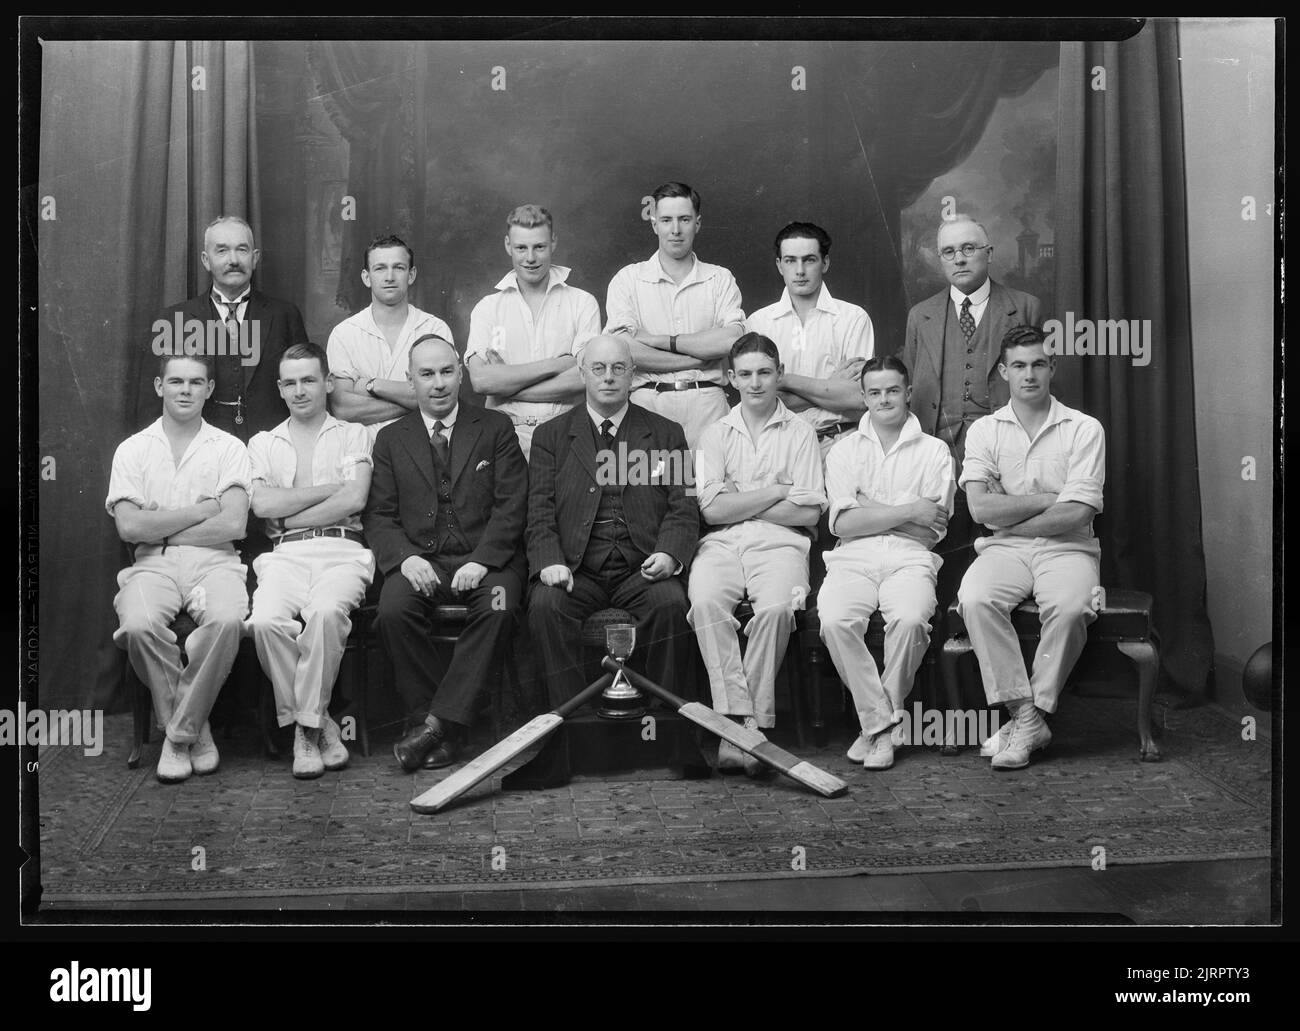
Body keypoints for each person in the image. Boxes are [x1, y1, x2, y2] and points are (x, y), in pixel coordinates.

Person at [522, 334, 699, 786]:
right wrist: (550, 561)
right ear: (582, 373)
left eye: (618, 369)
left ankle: (663, 734)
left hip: (642, 564)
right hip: (576, 568)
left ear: (633, 375)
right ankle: (569, 734)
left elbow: (682, 507)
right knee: (545, 605)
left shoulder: (664, 434)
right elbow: (538, 509)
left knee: (670, 604)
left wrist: (668, 554)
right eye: (598, 368)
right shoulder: (551, 437)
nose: (608, 377)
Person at [364, 335, 527, 771]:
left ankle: (434, 728)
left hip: (487, 563)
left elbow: (513, 505)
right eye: (427, 374)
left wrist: (483, 559)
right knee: (393, 611)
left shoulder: (495, 428)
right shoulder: (390, 439)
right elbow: (379, 515)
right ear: (410, 380)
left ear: (460, 372)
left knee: (499, 605)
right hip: (422, 562)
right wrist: (404, 559)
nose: (438, 384)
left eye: (447, 372)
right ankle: (438, 723)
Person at [958, 325, 1105, 770]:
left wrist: (1009, 513)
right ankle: (1026, 715)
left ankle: (1029, 717)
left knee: (1071, 606)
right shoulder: (984, 429)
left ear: (1051, 368)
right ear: (1004, 371)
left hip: (1068, 548)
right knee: (976, 598)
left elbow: (1077, 514)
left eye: (1038, 364)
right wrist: (1047, 499)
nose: (1029, 374)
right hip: (1004, 551)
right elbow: (980, 507)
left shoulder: (1084, 428)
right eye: (1018, 365)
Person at [687, 333, 826, 775]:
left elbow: (807, 509)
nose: (756, 383)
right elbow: (711, 511)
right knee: (707, 604)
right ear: (730, 379)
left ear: (779, 374)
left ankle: (738, 729)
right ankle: (745, 726)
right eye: (745, 374)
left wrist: (741, 496)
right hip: (722, 543)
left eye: (764, 372)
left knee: (776, 609)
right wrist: (777, 489)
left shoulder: (801, 432)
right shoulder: (715, 434)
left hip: (782, 542)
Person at [108, 353, 251, 783]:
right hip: (153, 565)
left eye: (195, 382)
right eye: (176, 382)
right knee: (137, 624)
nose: (185, 390)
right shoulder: (133, 449)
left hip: (217, 562)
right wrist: (201, 509)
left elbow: (235, 523)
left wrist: (162, 525)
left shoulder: (229, 447)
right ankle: (196, 730)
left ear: (209, 389)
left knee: (227, 619)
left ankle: (177, 734)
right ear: (159, 387)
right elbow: (130, 527)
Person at [817, 356, 955, 770]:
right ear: (862, 397)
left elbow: (929, 532)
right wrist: (911, 509)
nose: (884, 399)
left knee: (912, 620)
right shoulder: (843, 451)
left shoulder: (935, 451)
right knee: (835, 621)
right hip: (851, 558)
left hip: (911, 559)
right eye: (874, 392)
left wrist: (869, 509)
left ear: (908, 392)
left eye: (892, 390)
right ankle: (882, 725)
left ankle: (873, 728)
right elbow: (843, 524)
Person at [246, 343, 375, 779]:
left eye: (309, 380)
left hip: (343, 551)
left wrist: (289, 513)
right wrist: (329, 490)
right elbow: (262, 504)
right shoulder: (264, 442)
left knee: (324, 613)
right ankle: (321, 725)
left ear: (327, 383)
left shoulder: (354, 433)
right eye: (290, 382)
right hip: (285, 555)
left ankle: (304, 732)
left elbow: (356, 497)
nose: (300, 390)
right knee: (263, 621)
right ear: (280, 388)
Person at [900, 215, 1044, 600]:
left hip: (1001, 454)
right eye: (949, 251)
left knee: (998, 560)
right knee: (942, 558)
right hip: (938, 454)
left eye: (969, 248)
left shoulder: (1025, 306)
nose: (959, 258)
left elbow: (1036, 388)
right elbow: (912, 389)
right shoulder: (921, 315)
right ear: (941, 260)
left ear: (989, 254)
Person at [597, 181, 745, 448]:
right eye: (666, 220)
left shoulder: (720, 278)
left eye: (684, 219)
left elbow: (732, 342)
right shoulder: (628, 279)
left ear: (697, 223)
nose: (675, 230)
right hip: (647, 407)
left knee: (709, 489)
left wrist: (658, 340)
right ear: (655, 224)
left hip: (709, 409)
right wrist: (700, 359)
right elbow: (622, 352)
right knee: (647, 489)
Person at [139, 215, 309, 442]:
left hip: (271, 450)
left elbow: (304, 387)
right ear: (206, 260)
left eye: (242, 250)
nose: (234, 260)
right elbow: (152, 405)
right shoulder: (173, 320)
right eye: (221, 251)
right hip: (201, 453)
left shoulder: (285, 315)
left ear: (255, 258)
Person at [465, 204, 600, 460]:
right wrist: (558, 363)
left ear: (553, 243)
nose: (530, 258)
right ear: (508, 245)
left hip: (567, 432)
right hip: (503, 436)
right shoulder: (488, 308)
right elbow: (482, 382)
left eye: (539, 247)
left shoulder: (582, 303)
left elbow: (584, 378)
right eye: (521, 248)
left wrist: (505, 384)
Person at [744, 221, 874, 456]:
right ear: (779, 265)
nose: (800, 270)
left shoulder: (853, 318)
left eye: (809, 259)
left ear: (825, 263)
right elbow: (756, 402)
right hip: (777, 447)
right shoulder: (758, 323)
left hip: (840, 445)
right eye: (790, 260)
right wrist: (831, 386)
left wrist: (783, 380)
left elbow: (859, 398)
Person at [327, 233, 455, 441]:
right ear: (366, 277)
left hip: (422, 453)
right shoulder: (344, 334)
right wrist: (415, 401)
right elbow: (342, 408)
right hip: (361, 455)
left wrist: (373, 385)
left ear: (411, 275)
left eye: (398, 267)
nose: (389, 277)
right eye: (380, 268)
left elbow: (444, 399)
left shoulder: (435, 328)